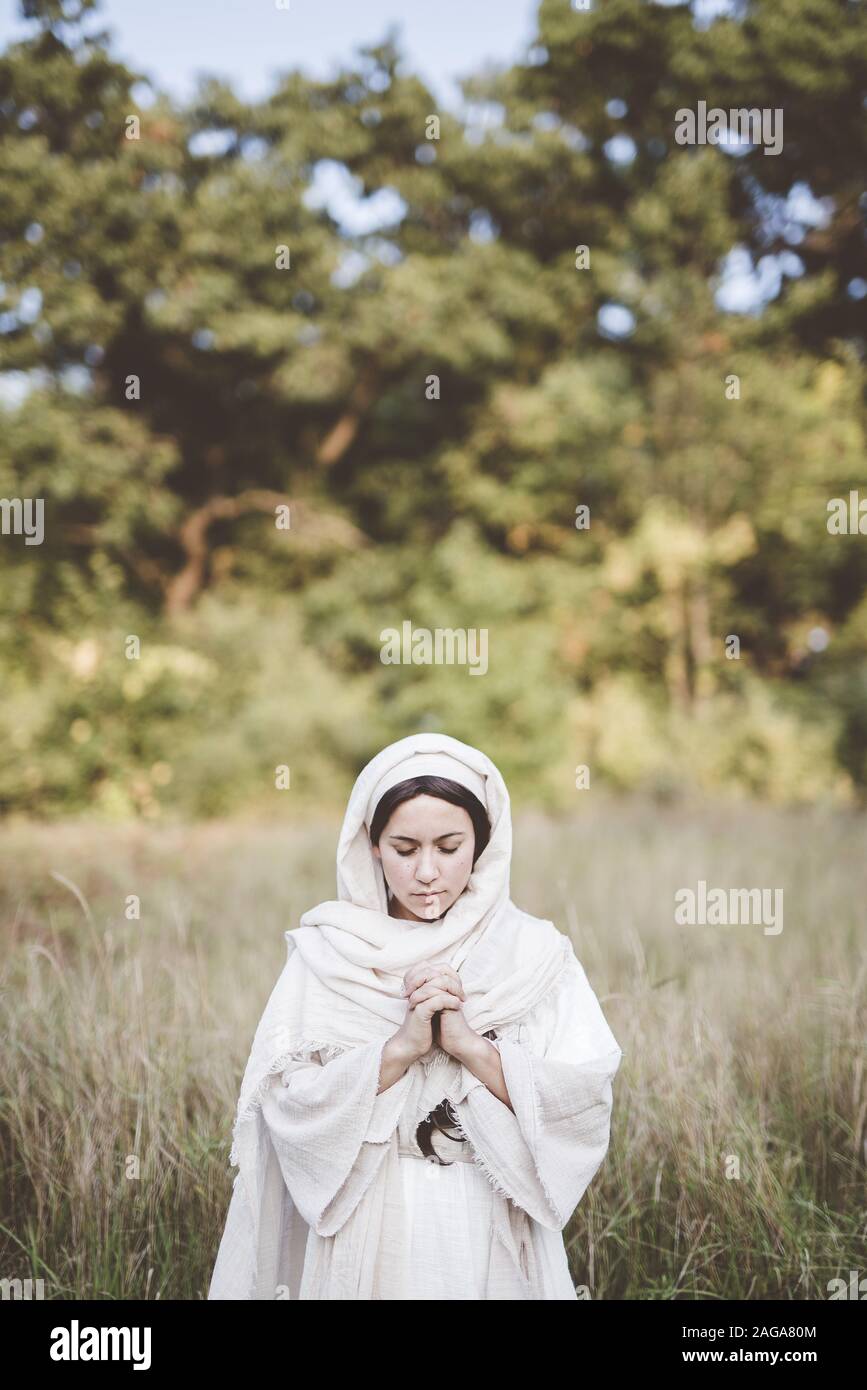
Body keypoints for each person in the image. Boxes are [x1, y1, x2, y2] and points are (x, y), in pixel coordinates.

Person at [208, 732, 623, 1300]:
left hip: (489, 1212)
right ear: (372, 846)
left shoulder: (534, 955)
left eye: (449, 847)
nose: (427, 872)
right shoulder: (328, 957)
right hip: (370, 1224)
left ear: (483, 843)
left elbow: (583, 1100)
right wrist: (398, 1049)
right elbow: (288, 1105)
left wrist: (470, 1046)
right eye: (404, 850)